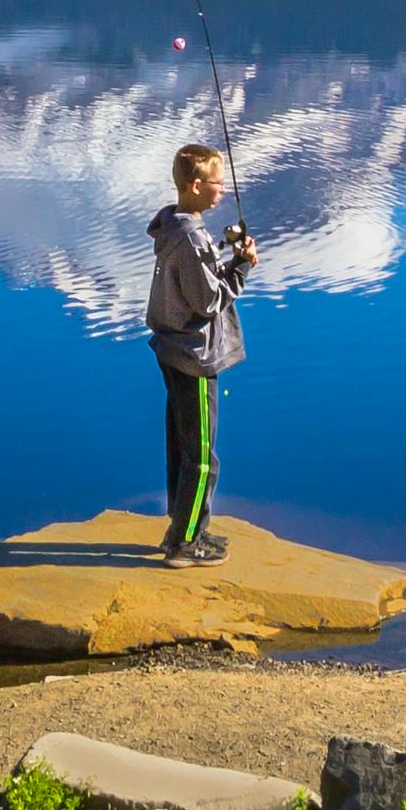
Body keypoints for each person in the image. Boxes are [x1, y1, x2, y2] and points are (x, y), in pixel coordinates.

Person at [144, 142, 259, 569]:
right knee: (202, 456)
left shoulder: (176, 226)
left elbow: (199, 287)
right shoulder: (191, 238)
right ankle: (185, 544)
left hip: (174, 349)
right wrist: (243, 268)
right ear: (195, 185)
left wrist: (228, 259)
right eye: (217, 182)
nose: (222, 190)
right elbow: (208, 300)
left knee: (183, 445)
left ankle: (185, 527)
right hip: (194, 356)